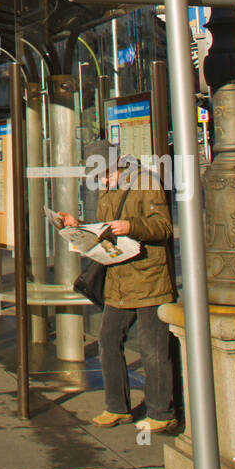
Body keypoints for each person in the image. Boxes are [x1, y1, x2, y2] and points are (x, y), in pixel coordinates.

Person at [62, 140, 177, 430]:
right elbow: (106, 228)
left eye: (103, 173)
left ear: (117, 164)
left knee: (153, 350)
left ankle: (160, 413)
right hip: (119, 279)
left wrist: (132, 226)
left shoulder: (146, 182)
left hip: (150, 278)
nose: (100, 179)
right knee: (108, 340)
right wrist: (80, 229)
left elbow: (163, 226)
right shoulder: (107, 188)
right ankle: (117, 407)